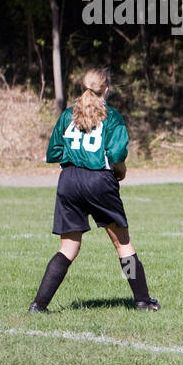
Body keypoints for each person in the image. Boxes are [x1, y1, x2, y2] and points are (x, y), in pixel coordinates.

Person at [29, 69, 159, 312]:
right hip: (99, 180)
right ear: (106, 90)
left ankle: (39, 304)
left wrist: (73, 161)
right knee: (123, 244)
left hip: (68, 180)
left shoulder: (68, 114)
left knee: (68, 248)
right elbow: (118, 154)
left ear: (83, 88)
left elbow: (53, 152)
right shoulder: (112, 117)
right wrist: (119, 171)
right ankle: (142, 299)